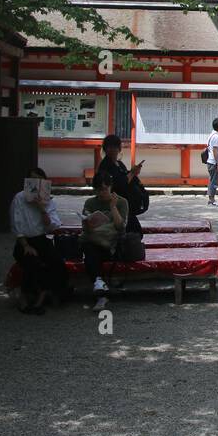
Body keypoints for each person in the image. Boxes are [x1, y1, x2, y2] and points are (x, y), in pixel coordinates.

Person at [9, 166, 69, 314]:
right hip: (24, 241)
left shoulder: (48, 201)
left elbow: (51, 226)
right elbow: (16, 224)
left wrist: (42, 208)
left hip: (41, 239)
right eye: (33, 179)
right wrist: (25, 245)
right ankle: (26, 296)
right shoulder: (19, 198)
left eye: (40, 180)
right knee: (31, 261)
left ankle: (48, 294)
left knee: (57, 262)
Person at [81, 173, 128, 312]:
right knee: (90, 249)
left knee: (92, 252)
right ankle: (100, 290)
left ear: (110, 187)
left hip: (111, 244)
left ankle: (99, 289)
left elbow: (121, 227)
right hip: (93, 240)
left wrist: (113, 207)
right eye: (98, 189)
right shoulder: (90, 202)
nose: (101, 193)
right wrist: (88, 224)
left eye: (104, 189)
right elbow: (85, 228)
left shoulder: (121, 202)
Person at [94, 134, 145, 236]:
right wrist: (132, 173)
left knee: (136, 232)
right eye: (109, 147)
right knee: (130, 231)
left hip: (125, 202)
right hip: (113, 202)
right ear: (105, 149)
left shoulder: (119, 164)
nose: (112, 150)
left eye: (115, 147)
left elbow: (127, 179)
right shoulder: (105, 165)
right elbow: (120, 184)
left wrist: (133, 172)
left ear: (119, 148)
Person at [206, 116, 218, 207]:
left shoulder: (212, 135)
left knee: (212, 180)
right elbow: (215, 150)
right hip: (214, 162)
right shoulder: (216, 136)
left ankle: (211, 199)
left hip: (211, 161)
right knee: (214, 181)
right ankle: (212, 199)